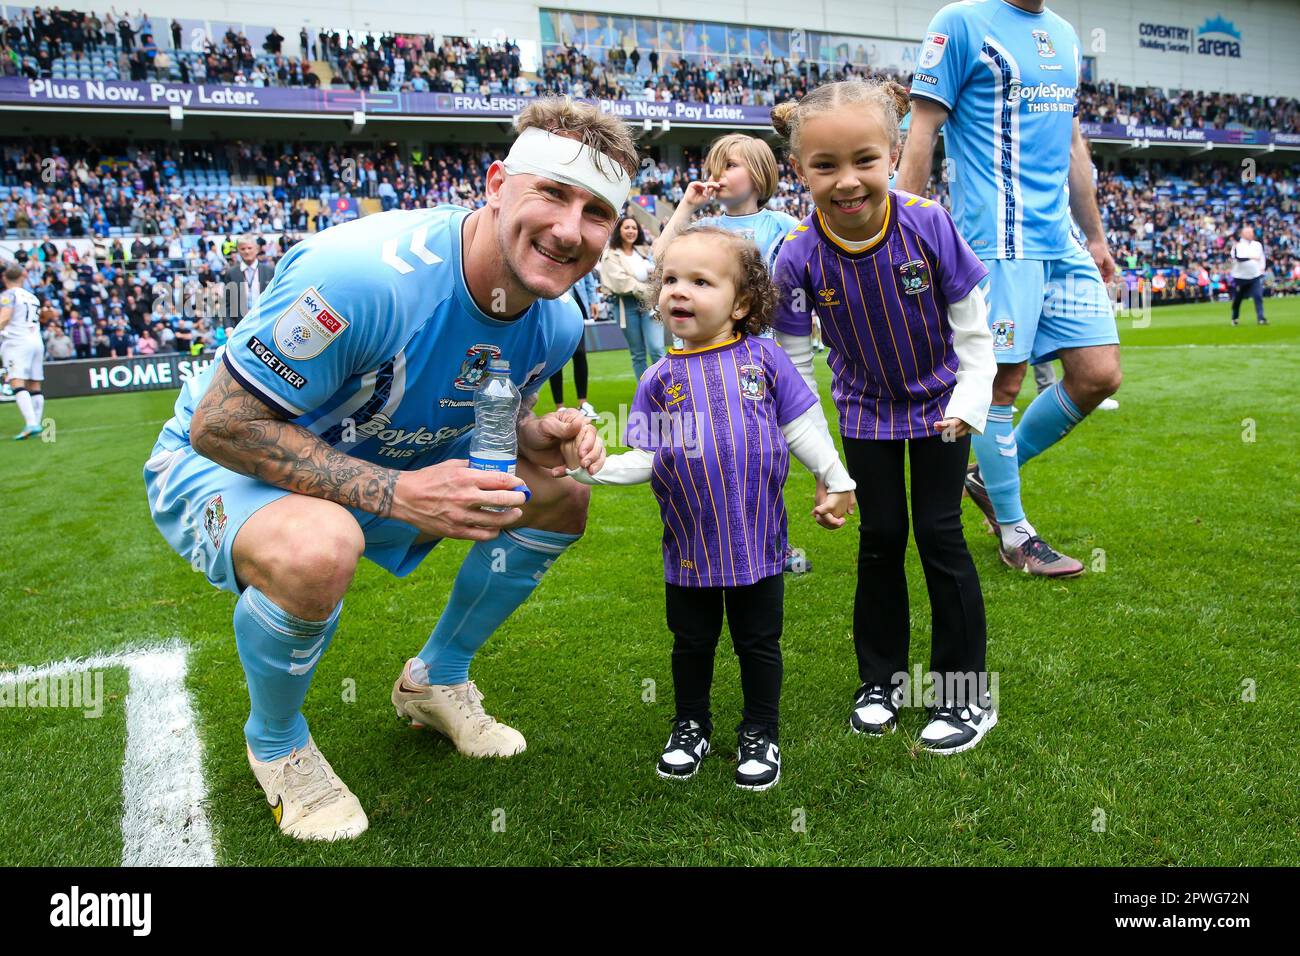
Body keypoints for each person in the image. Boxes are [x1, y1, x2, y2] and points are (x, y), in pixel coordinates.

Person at [143, 98, 635, 842]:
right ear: (498, 184)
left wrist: (544, 436)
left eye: (597, 212)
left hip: (383, 463)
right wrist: (400, 494)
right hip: (224, 463)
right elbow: (223, 424)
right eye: (553, 194)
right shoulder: (364, 276)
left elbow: (492, 421)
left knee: (558, 497)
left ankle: (435, 680)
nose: (571, 229)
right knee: (320, 545)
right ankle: (277, 744)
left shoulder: (556, 319)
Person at [569, 225, 855, 788]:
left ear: (741, 302)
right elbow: (651, 457)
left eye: (700, 281)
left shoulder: (765, 361)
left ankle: (760, 731)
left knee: (758, 642)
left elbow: (802, 428)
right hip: (691, 545)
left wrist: (836, 476)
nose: (679, 291)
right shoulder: (659, 379)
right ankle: (690, 725)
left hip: (758, 543)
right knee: (692, 641)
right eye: (671, 279)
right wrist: (593, 467)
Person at [771, 79, 999, 754]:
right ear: (798, 170)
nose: (847, 181)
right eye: (825, 165)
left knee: (938, 533)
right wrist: (823, 464)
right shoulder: (797, 256)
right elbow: (793, 371)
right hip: (865, 414)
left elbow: (975, 332)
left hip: (940, 410)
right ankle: (882, 683)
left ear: (895, 153)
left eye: (865, 160)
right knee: (880, 540)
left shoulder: (926, 222)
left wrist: (967, 402)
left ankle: (965, 696)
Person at [900, 0, 1122, 577]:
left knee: (1099, 373)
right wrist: (900, 228)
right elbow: (922, 128)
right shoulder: (962, 22)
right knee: (1004, 383)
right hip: (998, 239)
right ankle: (1016, 534)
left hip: (1061, 240)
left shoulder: (1067, 35)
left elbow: (1074, 145)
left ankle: (986, 474)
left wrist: (1094, 236)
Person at [653, 133, 810, 573]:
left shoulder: (781, 224)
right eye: (713, 166)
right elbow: (661, 259)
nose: (717, 175)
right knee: (716, 450)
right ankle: (709, 538)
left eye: (730, 166)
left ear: (759, 175)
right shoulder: (706, 230)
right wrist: (686, 207)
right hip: (706, 359)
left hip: (758, 357)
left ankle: (771, 542)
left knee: (764, 452)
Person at [600, 215, 663, 381]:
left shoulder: (644, 250)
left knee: (657, 348)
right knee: (638, 353)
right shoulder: (611, 254)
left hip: (650, 305)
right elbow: (621, 283)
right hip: (625, 305)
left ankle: (665, 390)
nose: (631, 231)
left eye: (634, 228)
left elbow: (657, 273)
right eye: (626, 227)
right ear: (618, 230)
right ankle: (645, 393)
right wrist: (649, 290)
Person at [0, 264, 46, 439]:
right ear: (23, 277)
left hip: (17, 342)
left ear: (5, 278)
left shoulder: (8, 295)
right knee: (34, 383)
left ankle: (31, 423)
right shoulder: (32, 296)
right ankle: (37, 421)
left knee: (16, 381)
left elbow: (5, 317)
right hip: (36, 341)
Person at [548, 270, 598, 419]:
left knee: (580, 353)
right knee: (556, 356)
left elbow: (587, 275)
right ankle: (560, 407)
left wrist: (593, 299)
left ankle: (583, 404)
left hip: (577, 306)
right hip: (554, 306)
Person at [223, 235, 276, 326]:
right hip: (240, 326)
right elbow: (227, 303)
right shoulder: (231, 273)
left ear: (257, 249)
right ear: (238, 251)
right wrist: (228, 327)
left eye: (249, 248)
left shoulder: (270, 271)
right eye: (242, 249)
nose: (246, 251)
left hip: (264, 324)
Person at [1229, 225, 1267, 326]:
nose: (1250, 234)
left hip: (1254, 275)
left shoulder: (1257, 245)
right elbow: (1238, 258)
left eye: (1251, 232)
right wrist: (1251, 257)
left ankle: (1261, 318)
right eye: (1248, 233)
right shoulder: (1237, 246)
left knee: (1258, 296)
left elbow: (1261, 257)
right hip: (1240, 277)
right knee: (1238, 299)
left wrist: (1262, 268)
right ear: (1242, 234)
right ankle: (1235, 317)